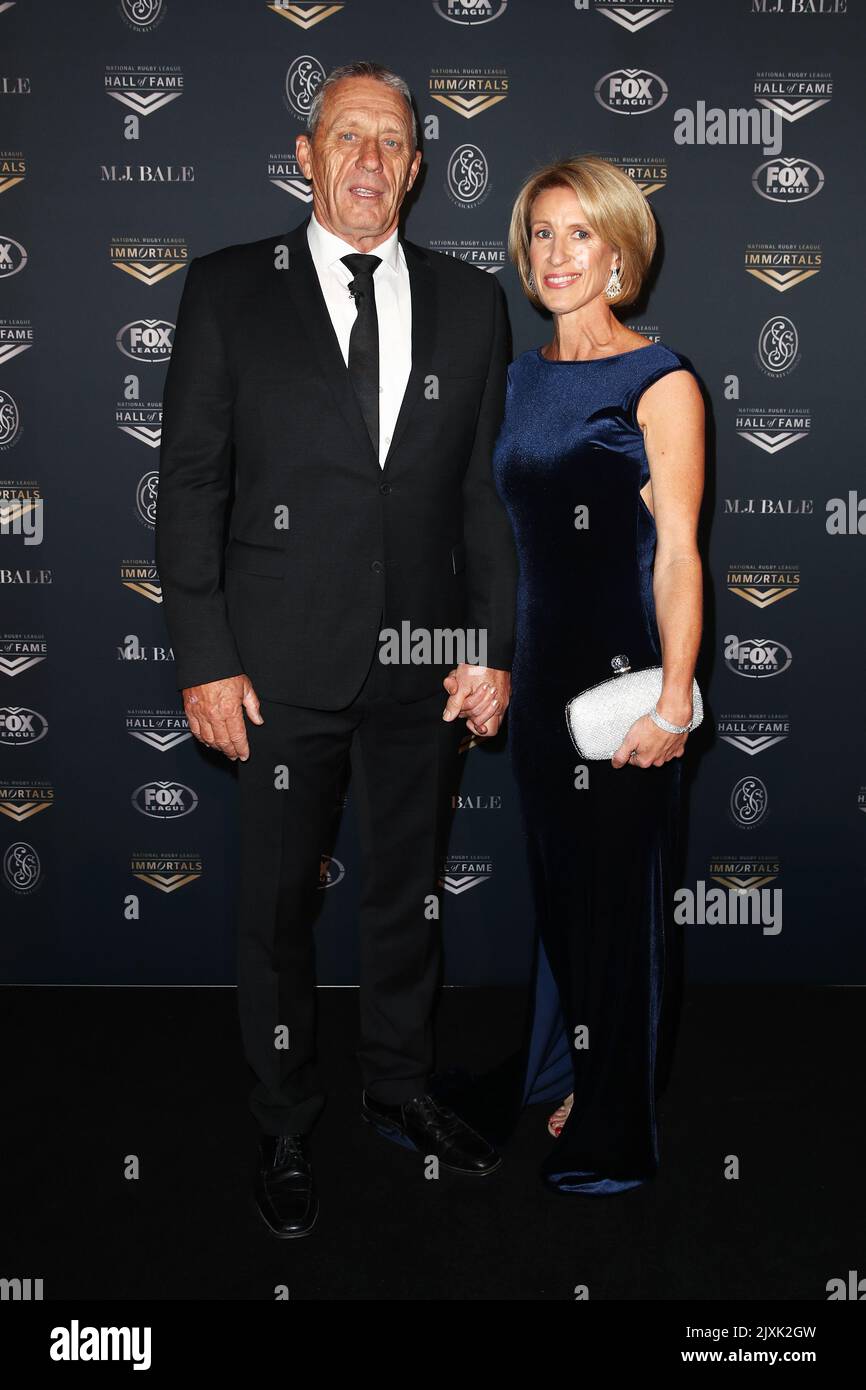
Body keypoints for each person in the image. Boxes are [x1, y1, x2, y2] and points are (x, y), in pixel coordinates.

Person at [154, 60, 519, 1237]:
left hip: (423, 662)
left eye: (391, 141)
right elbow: (191, 488)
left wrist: (489, 644)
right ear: (305, 157)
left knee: (407, 899)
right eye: (344, 135)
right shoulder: (226, 291)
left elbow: (482, 502)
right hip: (272, 671)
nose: (367, 158)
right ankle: (281, 1117)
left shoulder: (471, 303)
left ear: (417, 167)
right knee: (273, 909)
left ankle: (399, 1087)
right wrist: (206, 655)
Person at [434, 156, 705, 1195]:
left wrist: (673, 698)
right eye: (539, 233)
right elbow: (487, 539)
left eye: (577, 234)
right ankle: (564, 1067)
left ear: (619, 252)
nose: (554, 254)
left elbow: (677, 551)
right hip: (538, 680)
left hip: (621, 683)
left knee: (618, 905)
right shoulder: (517, 377)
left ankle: (610, 1117)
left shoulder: (658, 379)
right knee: (561, 897)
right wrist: (486, 655)